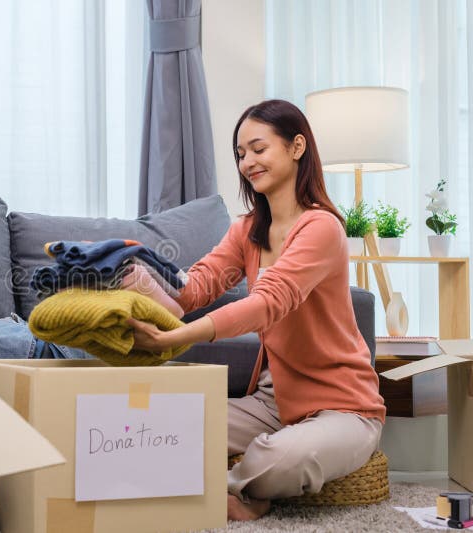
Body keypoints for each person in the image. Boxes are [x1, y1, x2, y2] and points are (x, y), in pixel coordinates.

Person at [127, 99, 385, 521]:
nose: (247, 162)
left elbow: (267, 303)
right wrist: (130, 274)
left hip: (343, 408)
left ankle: (226, 489)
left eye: (258, 149)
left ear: (297, 146)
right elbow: (195, 287)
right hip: (271, 404)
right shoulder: (247, 230)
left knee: (280, 459)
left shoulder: (322, 228)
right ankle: (217, 487)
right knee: (160, 426)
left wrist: (177, 338)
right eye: (240, 154)